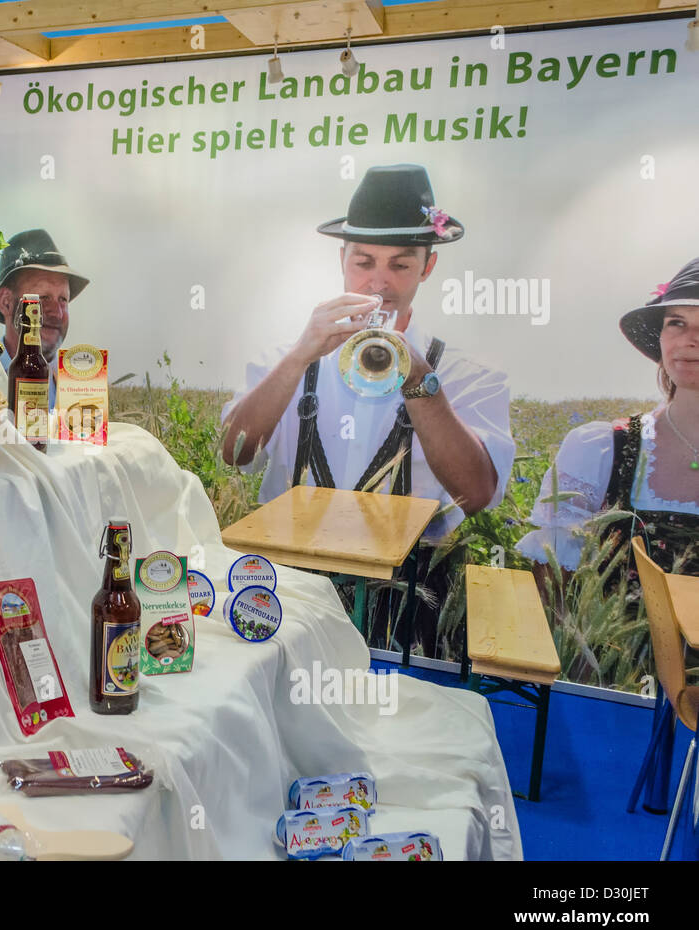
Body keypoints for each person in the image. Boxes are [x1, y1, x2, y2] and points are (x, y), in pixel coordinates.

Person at [220, 164, 516, 658]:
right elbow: (234, 452)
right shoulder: (285, 358)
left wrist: (422, 382)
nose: (380, 282)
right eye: (364, 262)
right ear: (342, 260)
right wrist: (299, 357)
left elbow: (476, 494)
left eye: (400, 265)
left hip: (405, 609)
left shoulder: (467, 375)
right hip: (285, 599)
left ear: (428, 267)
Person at [518, 257, 699, 579]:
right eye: (676, 322)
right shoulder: (603, 450)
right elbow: (553, 596)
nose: (689, 339)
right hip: (607, 630)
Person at [0, 229, 90, 409]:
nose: (57, 312)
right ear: (6, 303)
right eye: (43, 297)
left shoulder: (80, 391)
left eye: (63, 299)